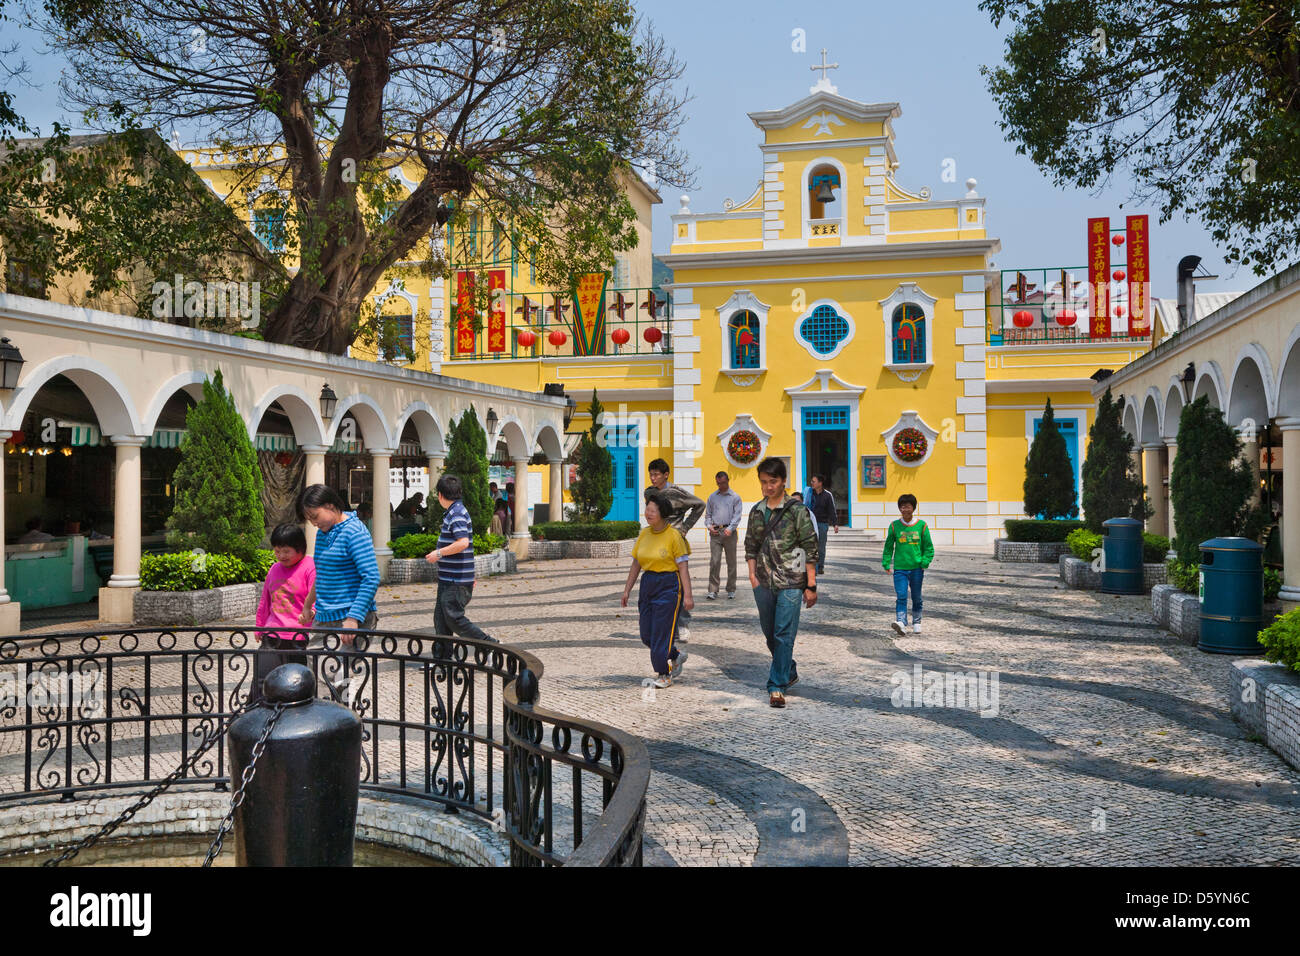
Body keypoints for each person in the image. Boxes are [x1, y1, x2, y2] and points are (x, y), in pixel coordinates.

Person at [744, 456, 818, 709]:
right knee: (770, 634)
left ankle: (776, 686)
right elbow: (750, 546)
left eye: (773, 482)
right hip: (763, 582)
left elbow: (809, 548)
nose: (768, 487)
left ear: (783, 481)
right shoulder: (756, 511)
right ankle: (789, 669)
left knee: (783, 634)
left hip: (791, 582)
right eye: (764, 482)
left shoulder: (798, 511)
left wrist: (810, 585)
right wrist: (752, 576)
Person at [621, 490, 691, 689]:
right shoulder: (644, 533)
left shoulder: (674, 536)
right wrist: (627, 590)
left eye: (653, 510)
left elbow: (683, 568)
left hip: (669, 585)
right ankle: (676, 655)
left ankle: (664, 673)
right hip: (648, 583)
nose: (648, 513)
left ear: (662, 513)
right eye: (647, 509)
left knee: (661, 633)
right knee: (647, 635)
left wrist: (688, 595)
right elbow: (636, 564)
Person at [297, 484, 380, 640]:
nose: (314, 523)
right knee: (315, 663)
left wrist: (353, 618)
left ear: (329, 505)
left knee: (341, 665)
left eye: (315, 516)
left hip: (350, 617)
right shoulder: (322, 533)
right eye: (310, 520)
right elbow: (322, 575)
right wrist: (308, 605)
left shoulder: (355, 532)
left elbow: (371, 578)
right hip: (323, 618)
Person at [425, 474, 497, 643]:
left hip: (455, 581)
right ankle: (442, 658)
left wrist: (439, 553)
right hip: (449, 578)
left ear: (441, 495)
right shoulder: (454, 511)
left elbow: (463, 542)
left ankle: (488, 643)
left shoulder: (456, 513)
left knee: (454, 618)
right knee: (441, 620)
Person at [251, 523, 316, 704]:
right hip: (272, 636)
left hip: (298, 639)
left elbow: (317, 595)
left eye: (286, 551)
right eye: (277, 551)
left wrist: (311, 612)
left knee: (297, 686)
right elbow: (265, 601)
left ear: (300, 549)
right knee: (262, 682)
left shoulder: (310, 567)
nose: (281, 556)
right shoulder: (274, 569)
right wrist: (259, 627)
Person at [645, 458, 705, 641]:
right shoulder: (649, 492)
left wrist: (684, 528)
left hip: (676, 543)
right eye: (651, 474)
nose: (653, 478)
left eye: (656, 474)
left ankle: (683, 624)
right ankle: (663, 624)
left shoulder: (676, 492)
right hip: (658, 544)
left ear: (666, 475)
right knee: (661, 583)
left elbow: (699, 505)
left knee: (679, 584)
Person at [882, 493, 934, 636]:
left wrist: (924, 562)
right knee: (901, 595)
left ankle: (917, 621)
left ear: (913, 508)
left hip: (917, 569)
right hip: (900, 569)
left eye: (908, 506)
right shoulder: (894, 526)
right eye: (902, 507)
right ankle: (901, 622)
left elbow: (928, 547)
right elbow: (888, 547)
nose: (905, 509)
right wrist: (886, 562)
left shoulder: (922, 526)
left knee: (916, 596)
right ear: (899, 508)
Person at [704, 470, 743, 599]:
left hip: (729, 533)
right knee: (715, 561)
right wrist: (709, 526)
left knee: (731, 561)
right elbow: (708, 515)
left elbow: (737, 516)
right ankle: (713, 590)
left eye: (723, 483)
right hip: (715, 532)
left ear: (728, 481)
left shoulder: (735, 497)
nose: (721, 485)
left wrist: (731, 528)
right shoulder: (712, 497)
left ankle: (731, 589)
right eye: (718, 483)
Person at [805, 474, 839, 576]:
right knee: (810, 546)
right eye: (811, 481)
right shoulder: (809, 494)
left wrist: (835, 524)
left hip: (822, 524)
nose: (812, 483)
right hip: (810, 524)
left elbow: (831, 510)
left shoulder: (827, 495)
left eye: (814, 481)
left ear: (820, 483)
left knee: (821, 547)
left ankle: (820, 567)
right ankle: (812, 567)